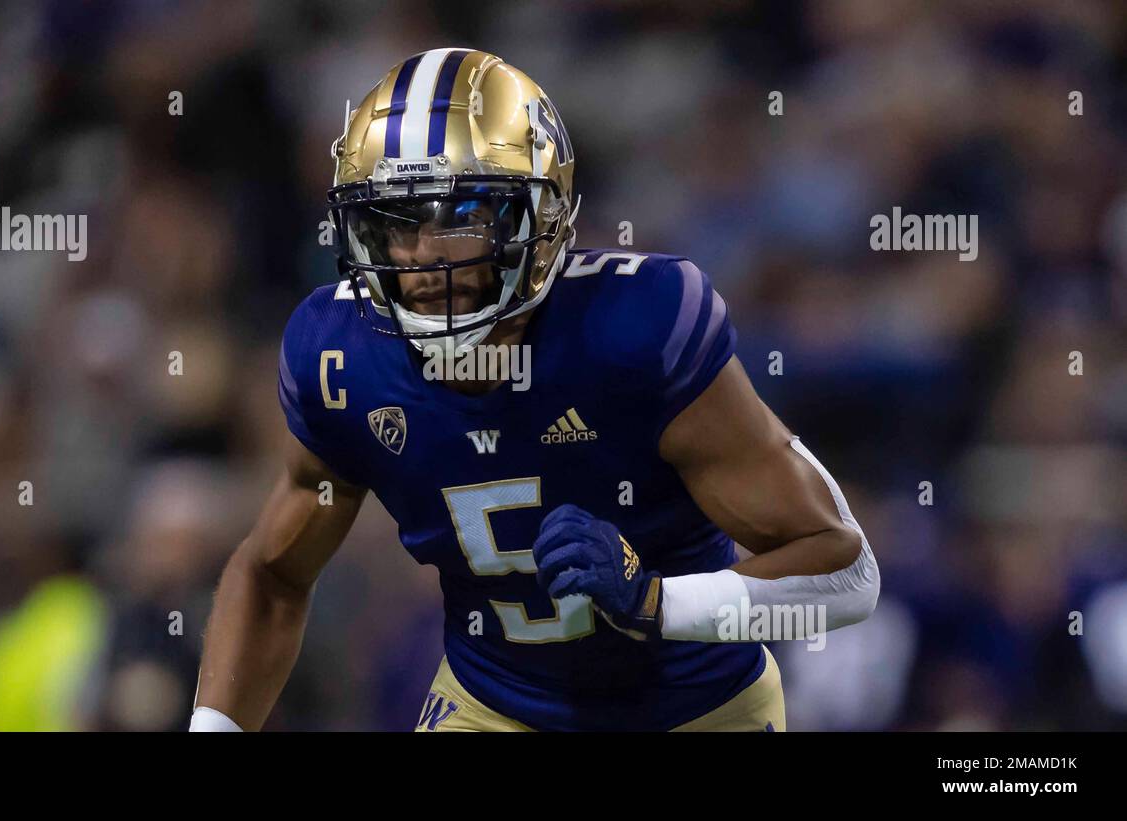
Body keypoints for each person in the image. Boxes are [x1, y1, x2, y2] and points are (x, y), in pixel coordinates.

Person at [192, 48, 879, 732]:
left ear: (539, 220)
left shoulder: (636, 332)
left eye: (459, 215)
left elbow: (846, 578)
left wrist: (655, 601)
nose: (421, 255)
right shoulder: (339, 356)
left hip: (695, 709)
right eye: (395, 221)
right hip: (494, 706)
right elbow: (274, 577)